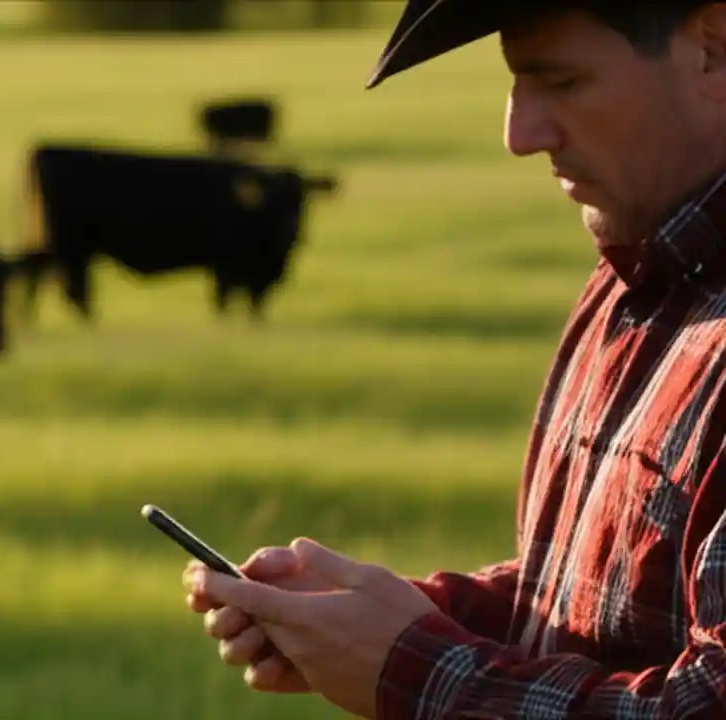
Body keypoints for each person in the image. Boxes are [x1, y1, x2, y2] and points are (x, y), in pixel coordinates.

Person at [181, 0, 726, 717]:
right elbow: (596, 611)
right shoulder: (638, 277)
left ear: (714, 48)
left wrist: (410, 665)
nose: (519, 134)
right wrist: (396, 618)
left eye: (560, 82)